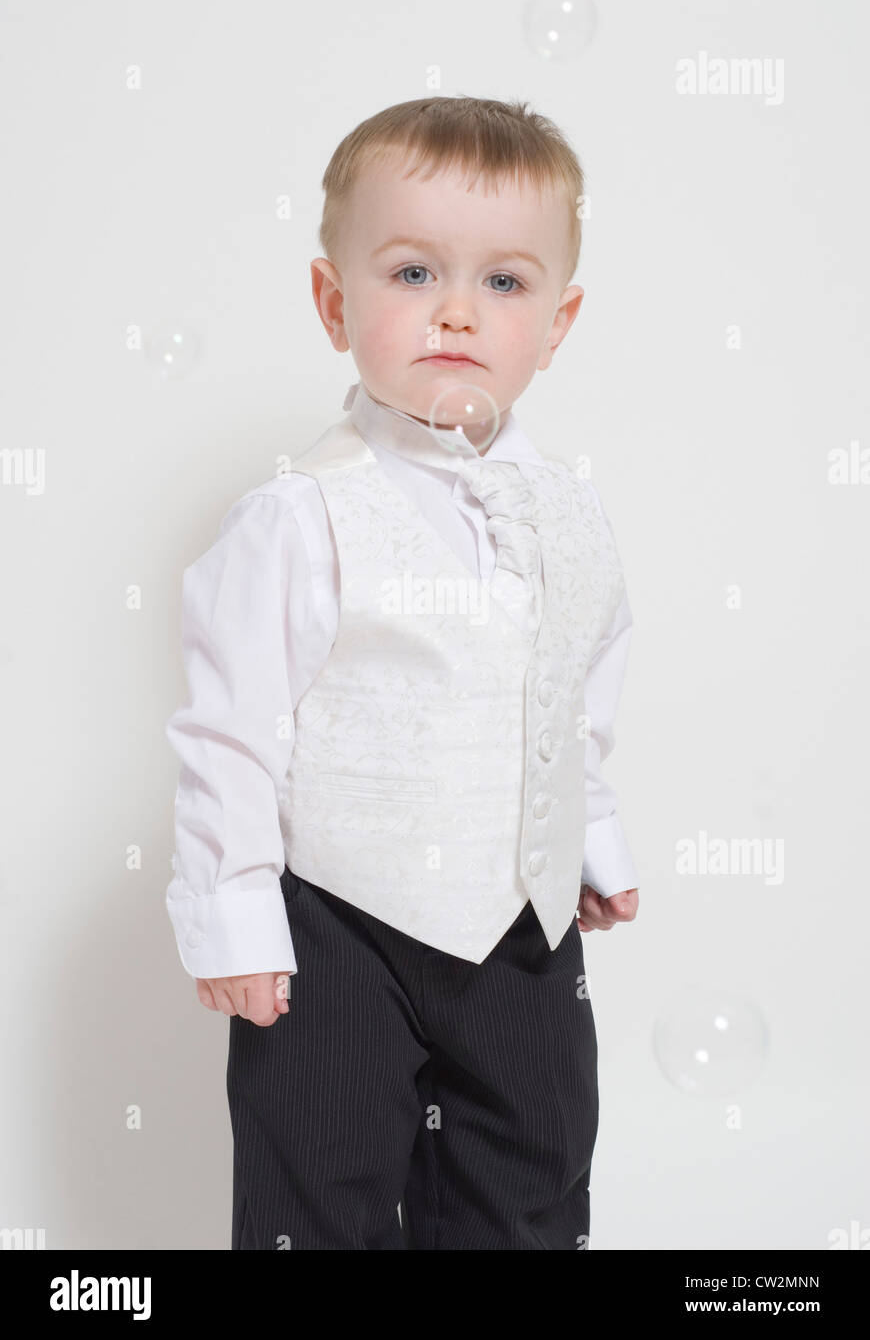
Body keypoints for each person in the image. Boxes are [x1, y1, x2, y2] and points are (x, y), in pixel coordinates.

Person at [165, 95, 640, 1250]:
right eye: (414, 272)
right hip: (339, 921)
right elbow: (231, 727)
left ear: (560, 322)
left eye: (506, 284)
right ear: (336, 302)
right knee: (316, 1180)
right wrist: (233, 913)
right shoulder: (300, 514)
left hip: (522, 932)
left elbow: (574, 694)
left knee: (532, 1166)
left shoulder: (571, 513)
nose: (459, 314)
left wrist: (589, 834)